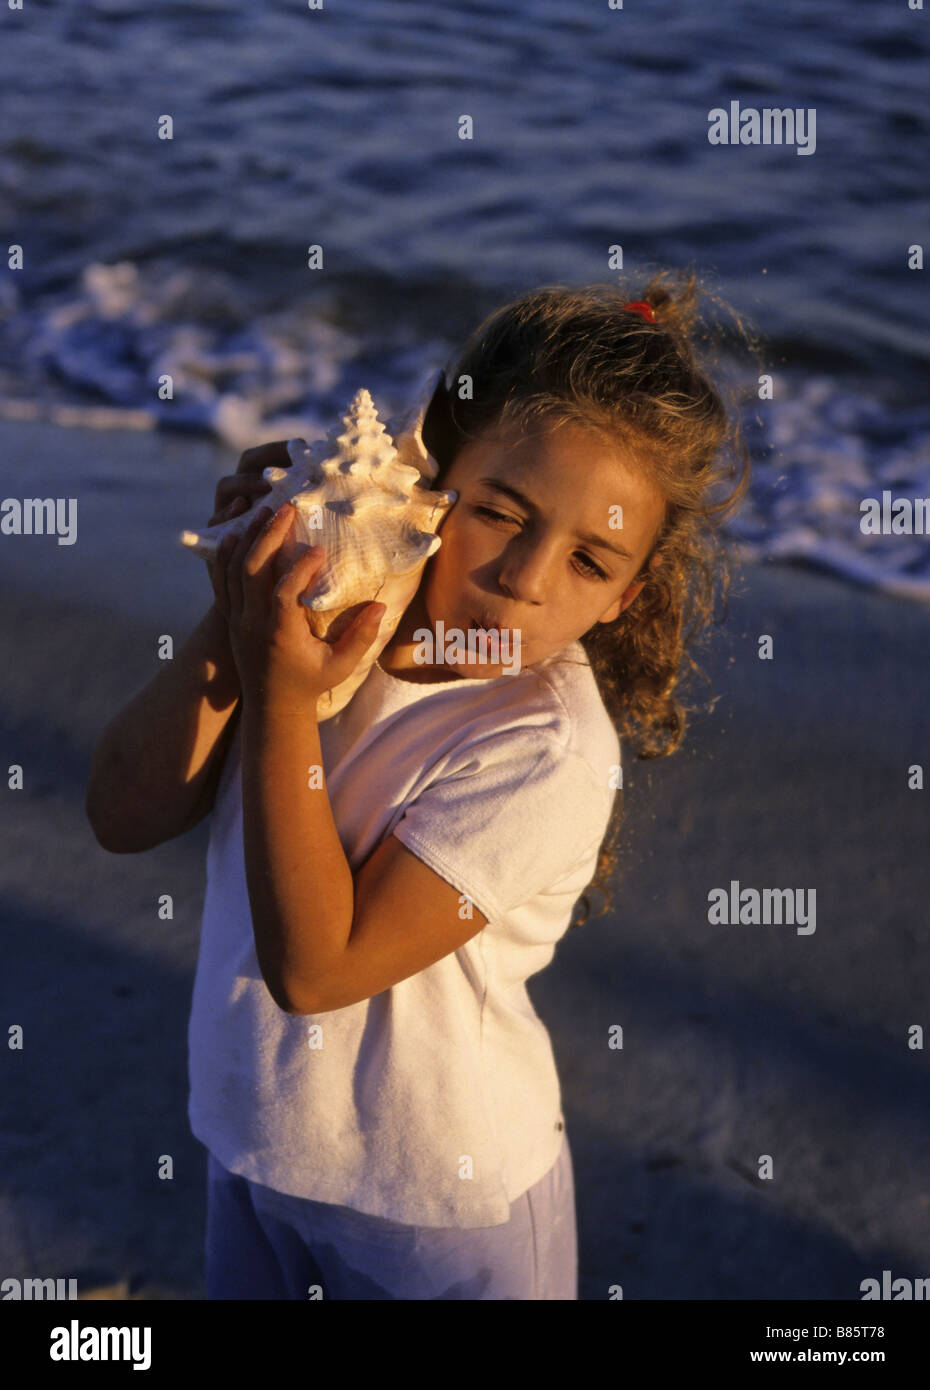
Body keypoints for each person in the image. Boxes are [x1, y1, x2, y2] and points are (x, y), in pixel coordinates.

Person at [86, 269, 753, 1300]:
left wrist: (276, 693)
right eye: (499, 511)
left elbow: (318, 969)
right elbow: (122, 813)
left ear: (628, 592)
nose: (525, 578)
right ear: (432, 471)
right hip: (254, 1144)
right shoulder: (326, 626)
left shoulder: (546, 749)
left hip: (444, 1207)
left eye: (588, 560)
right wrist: (237, 613)